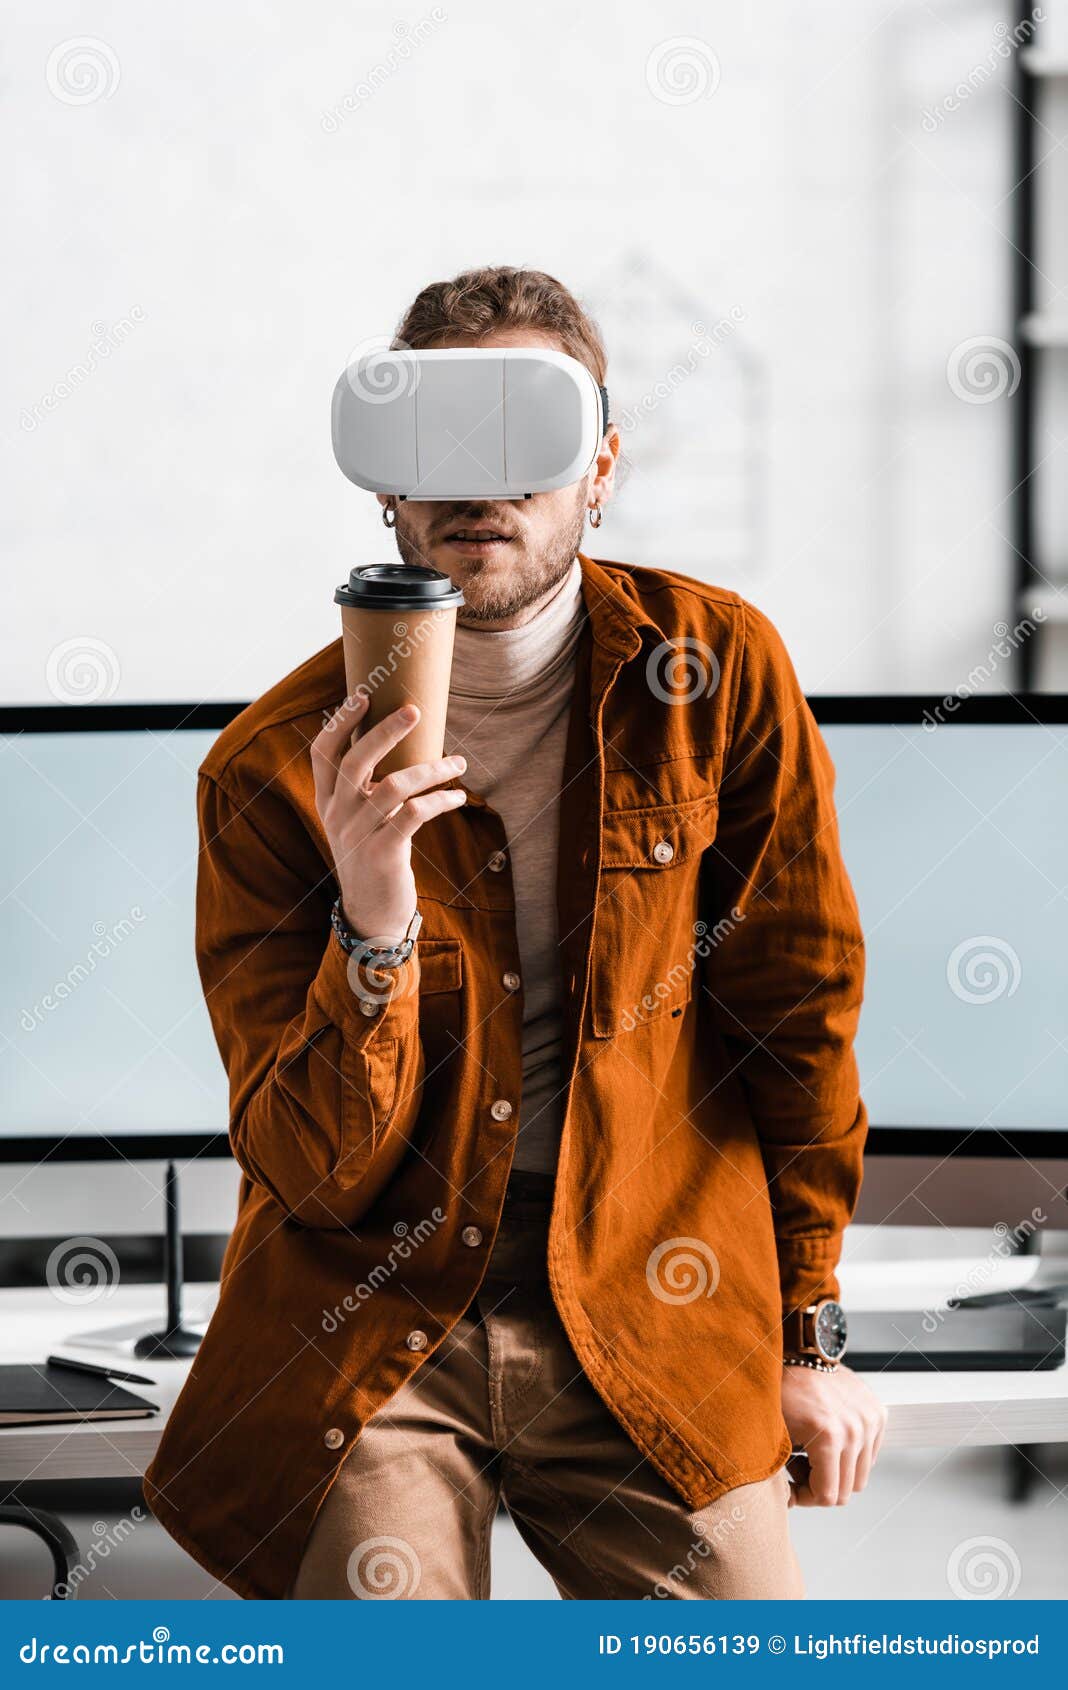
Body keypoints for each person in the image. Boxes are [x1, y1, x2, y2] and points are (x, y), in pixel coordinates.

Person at [144, 266, 886, 1601]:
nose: (482, 482)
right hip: (379, 1313)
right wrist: (375, 914)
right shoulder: (265, 770)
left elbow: (799, 1012)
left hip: (654, 1289)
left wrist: (814, 1335)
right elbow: (309, 1170)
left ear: (600, 466)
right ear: (384, 477)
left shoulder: (717, 675)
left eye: (527, 434)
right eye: (442, 436)